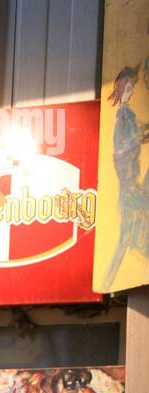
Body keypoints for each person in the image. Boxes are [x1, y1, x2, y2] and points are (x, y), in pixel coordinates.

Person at [101, 65, 149, 292]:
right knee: (123, 239)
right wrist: (137, 139)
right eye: (128, 87)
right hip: (128, 188)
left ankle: (109, 280)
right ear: (121, 88)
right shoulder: (123, 114)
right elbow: (118, 152)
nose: (130, 90)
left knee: (123, 240)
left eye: (132, 86)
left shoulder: (127, 113)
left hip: (130, 187)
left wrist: (141, 133)